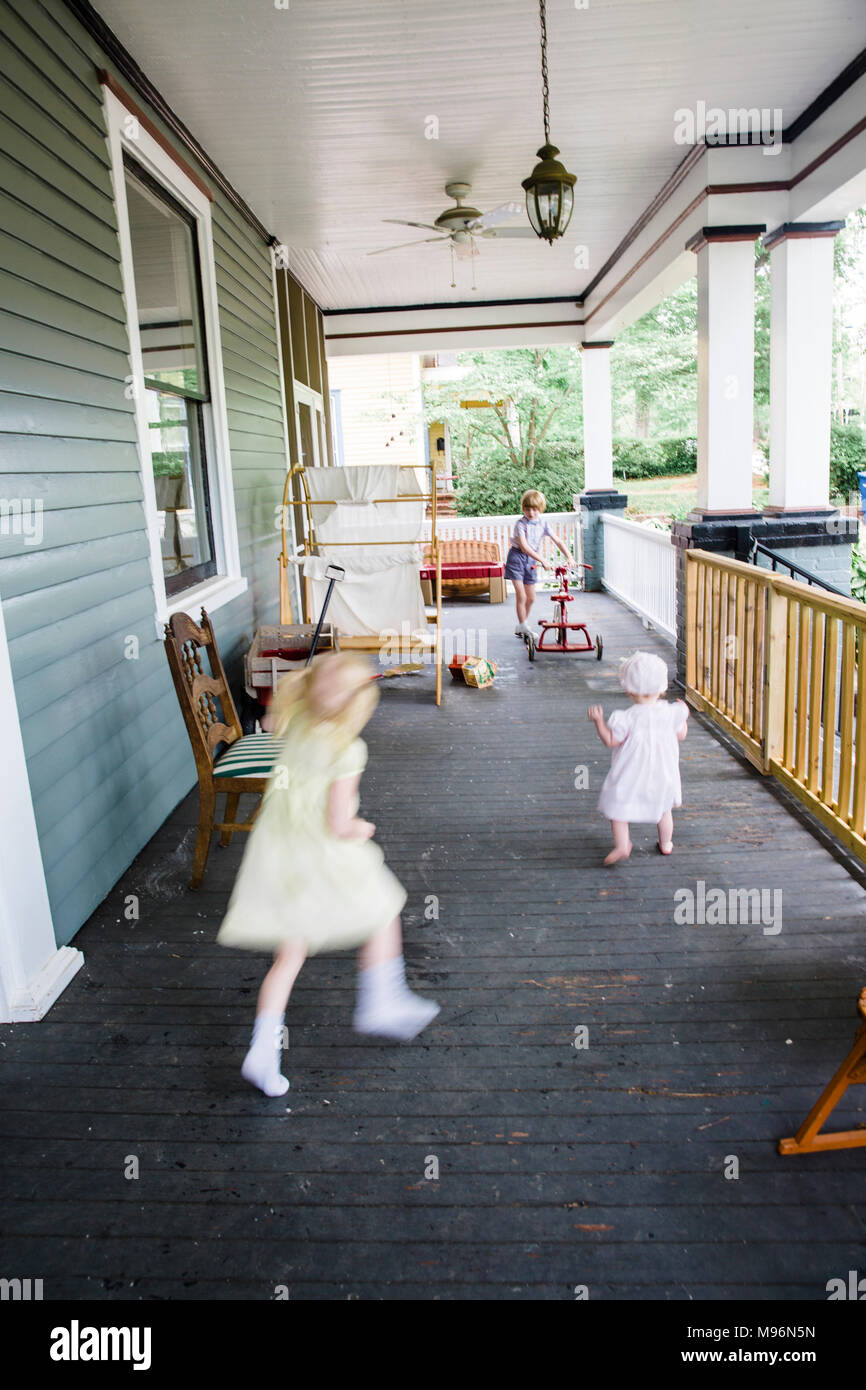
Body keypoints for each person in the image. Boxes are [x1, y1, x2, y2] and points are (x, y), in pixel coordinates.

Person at [216, 650, 440, 1097]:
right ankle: (381, 1000)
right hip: (320, 853)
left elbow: (284, 704)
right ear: (361, 705)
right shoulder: (348, 749)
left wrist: (313, 680)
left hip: (277, 853)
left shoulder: (296, 720)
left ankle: (263, 1050)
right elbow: (339, 824)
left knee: (288, 956)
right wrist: (362, 827)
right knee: (384, 907)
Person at [587, 650, 689, 866]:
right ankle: (666, 843)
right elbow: (681, 735)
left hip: (631, 775)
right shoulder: (671, 713)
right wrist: (683, 715)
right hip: (663, 773)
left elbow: (611, 741)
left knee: (617, 807)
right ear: (663, 688)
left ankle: (623, 846)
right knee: (664, 809)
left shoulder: (626, 718)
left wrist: (599, 722)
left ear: (628, 689)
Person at [503, 489, 572, 639]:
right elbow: (524, 547)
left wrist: (570, 557)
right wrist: (543, 560)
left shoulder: (543, 523)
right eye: (527, 509)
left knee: (531, 598)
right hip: (516, 558)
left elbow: (558, 541)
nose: (531, 512)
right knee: (521, 595)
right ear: (523, 509)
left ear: (540, 509)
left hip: (531, 560)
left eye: (534, 509)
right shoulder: (520, 524)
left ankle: (522, 624)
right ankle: (524, 627)